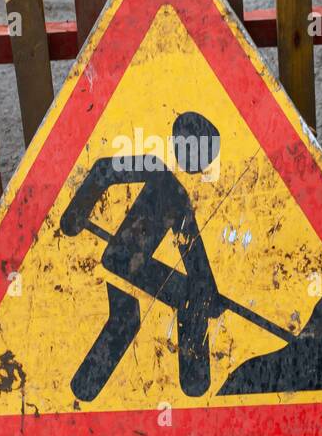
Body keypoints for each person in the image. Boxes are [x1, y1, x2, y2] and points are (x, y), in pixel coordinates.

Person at [60, 112, 223, 400]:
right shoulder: (156, 169)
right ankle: (194, 379)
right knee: (140, 313)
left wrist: (208, 290)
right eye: (201, 152)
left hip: (137, 265)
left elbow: (192, 252)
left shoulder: (179, 196)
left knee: (186, 298)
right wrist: (75, 214)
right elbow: (101, 171)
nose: (202, 163)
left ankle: (193, 381)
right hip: (121, 258)